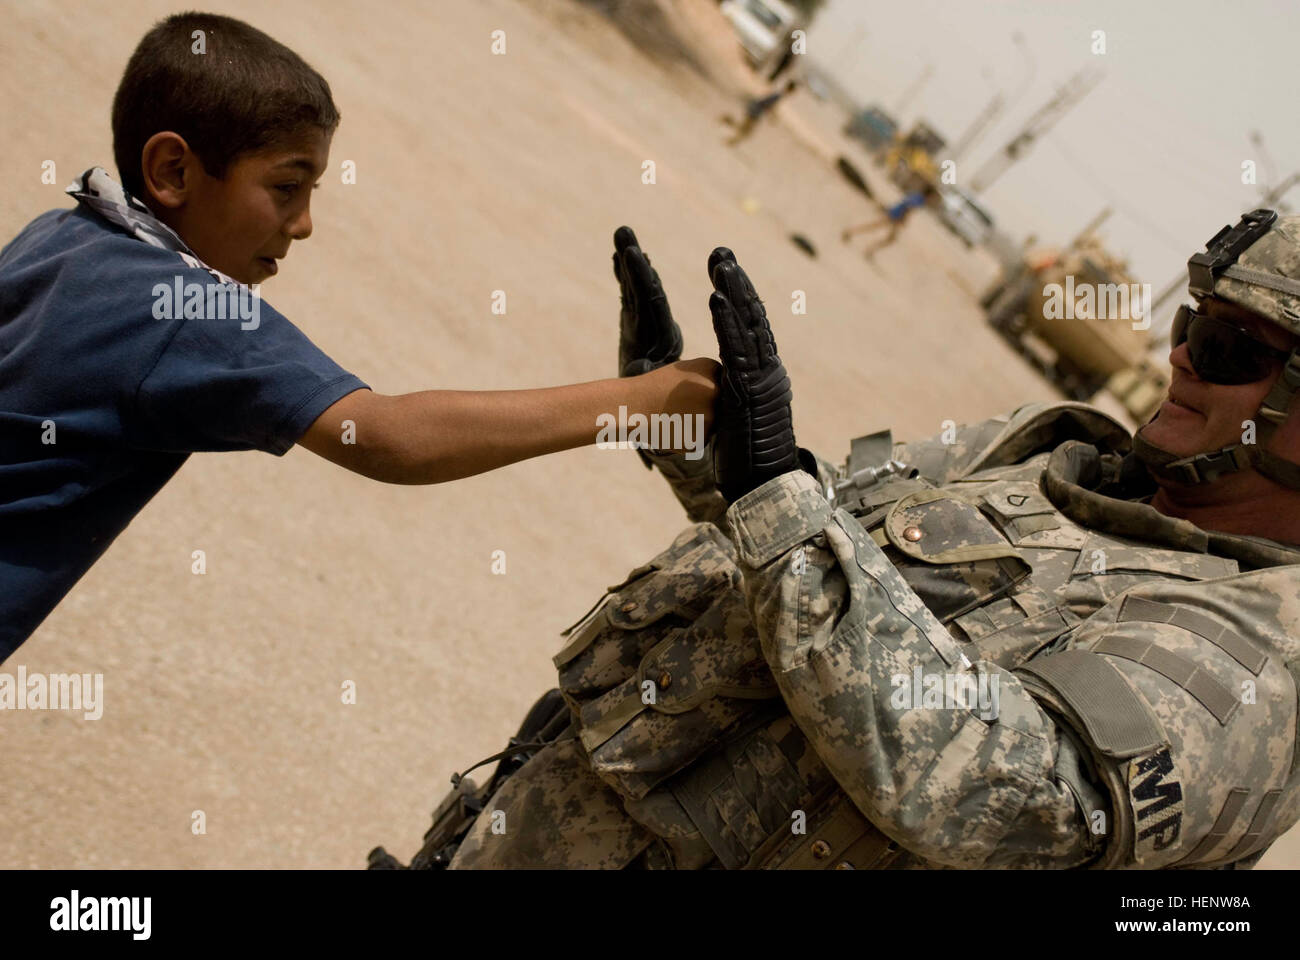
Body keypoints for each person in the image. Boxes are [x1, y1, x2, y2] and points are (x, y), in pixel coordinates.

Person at [374, 210, 1300, 870]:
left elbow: (1001, 794)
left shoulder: (1261, 659)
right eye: (1190, 325)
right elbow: (828, 544)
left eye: (1229, 347)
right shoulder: (1053, 451)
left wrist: (775, 496)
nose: (1180, 355)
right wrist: (714, 452)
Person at [0, 13, 718, 662]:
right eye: (287, 187)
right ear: (173, 170)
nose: (305, 223)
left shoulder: (61, 235)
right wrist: (654, 398)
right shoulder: (186, 312)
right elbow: (382, 435)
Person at [840, 184, 934, 259]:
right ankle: (857, 239)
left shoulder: (917, 195)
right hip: (896, 216)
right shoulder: (920, 200)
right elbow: (908, 207)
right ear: (929, 195)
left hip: (895, 213)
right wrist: (903, 219)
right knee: (881, 232)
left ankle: (866, 247)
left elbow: (906, 203)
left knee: (884, 234)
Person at [721, 79, 799, 147]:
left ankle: (729, 131)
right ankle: (728, 130)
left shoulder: (778, 93)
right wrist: (772, 116)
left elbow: (767, 103)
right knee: (746, 132)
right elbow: (768, 105)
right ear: (790, 90)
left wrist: (772, 115)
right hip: (755, 112)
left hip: (756, 111)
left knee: (744, 130)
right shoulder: (779, 95)